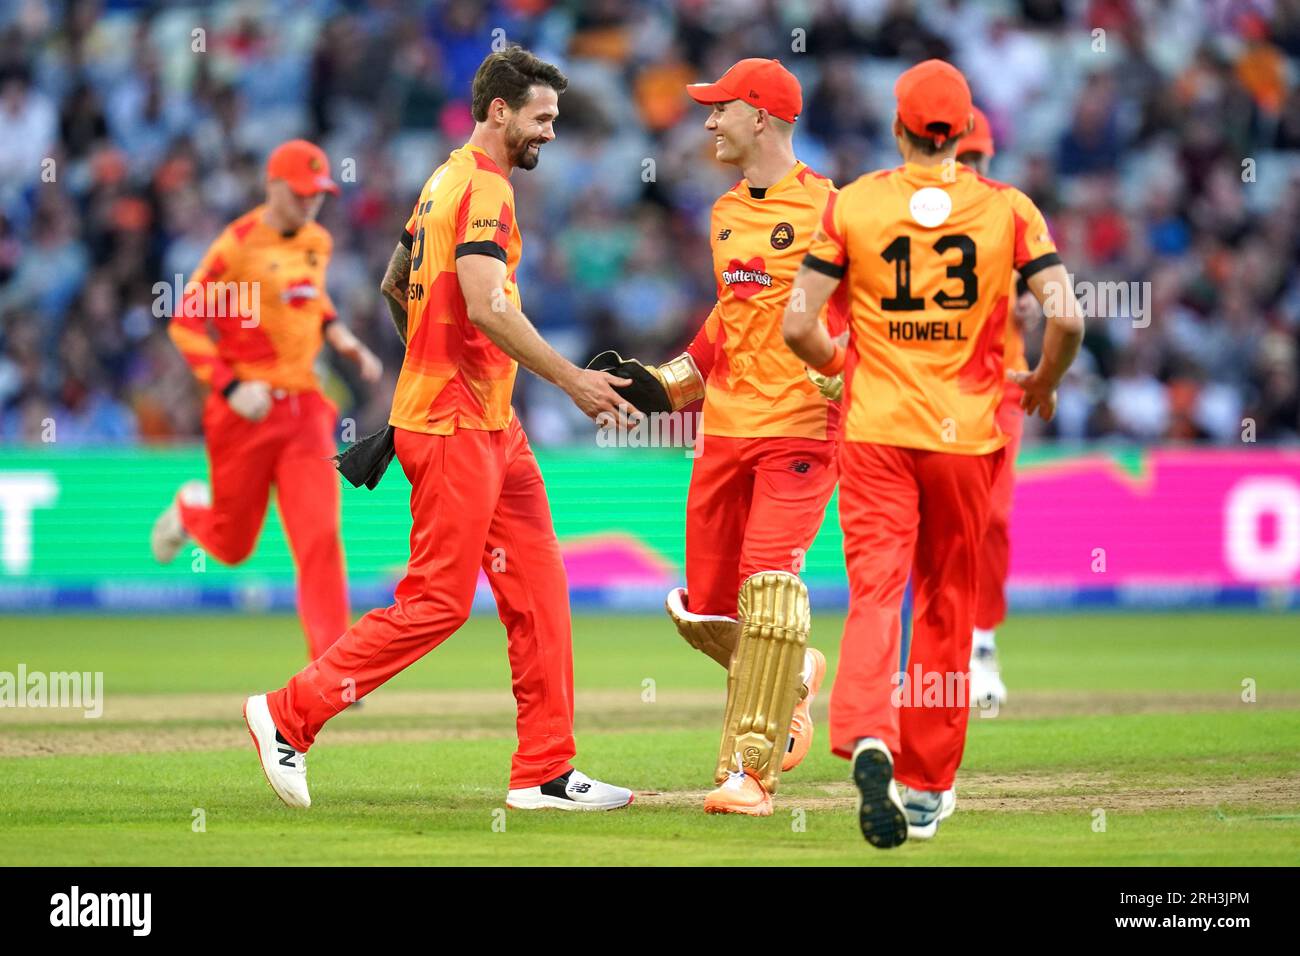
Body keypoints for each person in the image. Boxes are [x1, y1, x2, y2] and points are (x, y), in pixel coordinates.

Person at [242, 47, 635, 812]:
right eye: (542, 117)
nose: (550, 132)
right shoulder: (485, 190)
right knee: (438, 602)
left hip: (489, 421)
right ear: (499, 112)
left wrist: (432, 357)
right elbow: (489, 304)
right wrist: (573, 379)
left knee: (540, 587)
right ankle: (288, 714)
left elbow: (398, 284)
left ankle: (545, 771)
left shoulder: (441, 180)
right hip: (457, 425)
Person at [783, 60, 1083, 848]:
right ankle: (925, 785)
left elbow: (796, 324)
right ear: (965, 132)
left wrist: (843, 365)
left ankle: (866, 732)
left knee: (876, 594)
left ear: (898, 127)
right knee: (946, 604)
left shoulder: (854, 205)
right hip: (967, 437)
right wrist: (1043, 380)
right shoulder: (1008, 209)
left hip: (876, 433)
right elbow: (1071, 318)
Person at [594, 59, 844, 816]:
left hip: (801, 430)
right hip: (725, 433)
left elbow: (866, 319)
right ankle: (794, 670)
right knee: (704, 610)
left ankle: (749, 774)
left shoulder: (836, 210)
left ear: (761, 116)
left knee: (768, 587)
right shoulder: (726, 212)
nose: (707, 122)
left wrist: (847, 378)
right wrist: (660, 384)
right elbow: (723, 329)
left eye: (720, 109)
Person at [152, 139, 382, 662]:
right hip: (243, 415)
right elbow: (185, 324)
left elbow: (311, 297)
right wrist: (231, 387)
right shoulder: (235, 246)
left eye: (318, 195)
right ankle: (190, 512)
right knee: (234, 548)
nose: (310, 204)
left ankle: (332, 666)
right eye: (301, 194)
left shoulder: (317, 242)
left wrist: (343, 338)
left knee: (320, 535)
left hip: (305, 410)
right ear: (273, 186)